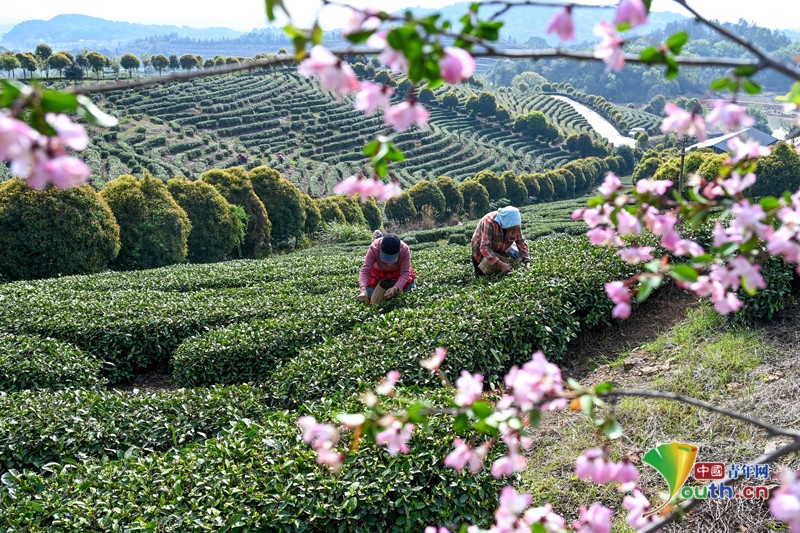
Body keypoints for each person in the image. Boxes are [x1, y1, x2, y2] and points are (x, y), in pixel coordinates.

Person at [471, 206, 530, 277]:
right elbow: (484, 248)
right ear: (505, 223)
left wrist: (527, 261)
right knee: (482, 276)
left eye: (514, 228)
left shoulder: (515, 224)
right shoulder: (489, 222)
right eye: (511, 228)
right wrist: (501, 265)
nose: (513, 230)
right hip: (480, 250)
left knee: (499, 273)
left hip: (499, 249)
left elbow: (521, 242)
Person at [358, 233, 417, 302]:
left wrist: (395, 288)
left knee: (405, 296)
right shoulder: (374, 247)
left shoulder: (404, 249)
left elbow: (405, 272)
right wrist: (363, 289)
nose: (389, 264)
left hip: (397, 273)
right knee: (370, 296)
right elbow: (365, 270)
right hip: (378, 273)